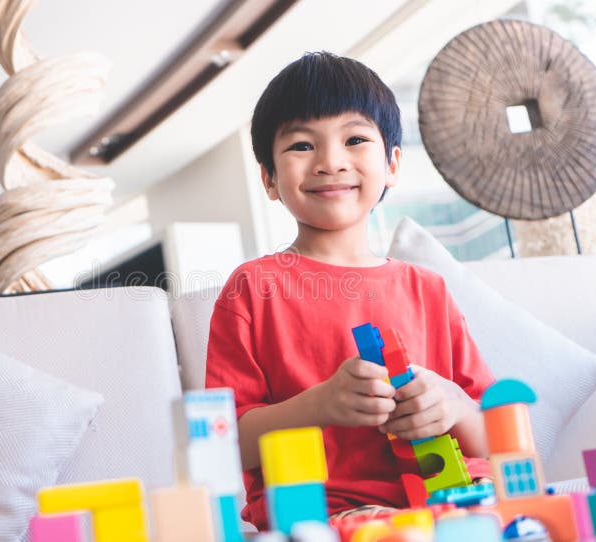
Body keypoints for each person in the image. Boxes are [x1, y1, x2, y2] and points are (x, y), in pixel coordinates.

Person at [205, 51, 495, 530]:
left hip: (458, 496)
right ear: (269, 179)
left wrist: (452, 403)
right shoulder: (252, 290)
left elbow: (499, 442)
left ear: (392, 163)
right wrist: (319, 406)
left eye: (355, 139)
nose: (330, 162)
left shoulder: (428, 289)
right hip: (330, 512)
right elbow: (221, 443)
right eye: (301, 146)